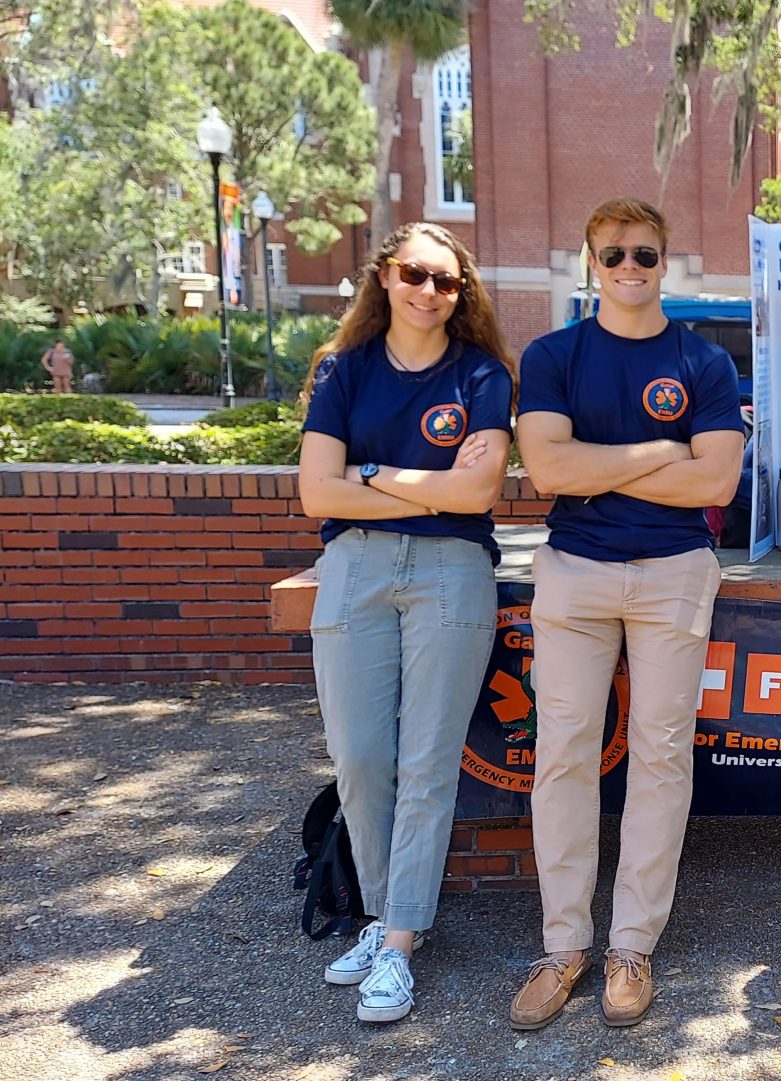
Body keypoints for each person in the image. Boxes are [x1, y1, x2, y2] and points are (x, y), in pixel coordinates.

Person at [510, 199, 745, 1031]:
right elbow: (544, 468)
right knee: (563, 753)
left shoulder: (703, 361)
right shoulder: (552, 354)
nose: (629, 267)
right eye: (613, 254)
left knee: (659, 757)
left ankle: (631, 945)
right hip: (575, 570)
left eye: (644, 253)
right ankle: (563, 945)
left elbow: (715, 483)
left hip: (675, 572)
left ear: (665, 261)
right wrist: (659, 453)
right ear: (592, 261)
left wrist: (593, 466)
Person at [296, 222, 516, 1023]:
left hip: (452, 572)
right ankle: (386, 914)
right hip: (353, 569)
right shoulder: (342, 372)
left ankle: (396, 944)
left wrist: (372, 470)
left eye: (447, 281)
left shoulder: (483, 376)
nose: (430, 292)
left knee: (426, 762)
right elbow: (318, 495)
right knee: (360, 757)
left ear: (462, 293)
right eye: (416, 275)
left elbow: (479, 493)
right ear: (384, 277)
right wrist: (428, 487)